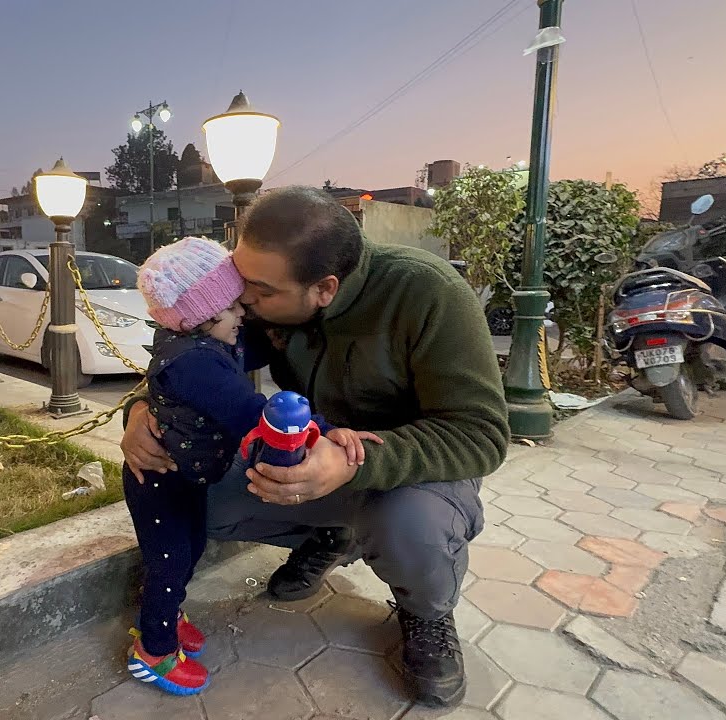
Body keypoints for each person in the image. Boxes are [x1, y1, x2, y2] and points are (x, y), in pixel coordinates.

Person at [122, 186, 509, 707]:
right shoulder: (266, 291)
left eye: (256, 291)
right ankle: (329, 534)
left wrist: (352, 462)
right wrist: (143, 411)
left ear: (324, 289)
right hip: (304, 449)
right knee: (189, 500)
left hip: (405, 473)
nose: (243, 302)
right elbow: (198, 365)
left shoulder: (427, 293)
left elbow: (480, 435)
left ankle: (426, 612)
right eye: (238, 284)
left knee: (408, 527)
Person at [125, 236, 375, 695]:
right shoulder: (194, 364)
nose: (245, 316)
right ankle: (153, 651)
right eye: (234, 309)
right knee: (171, 557)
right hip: (161, 480)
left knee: (188, 548)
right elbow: (251, 412)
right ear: (201, 319)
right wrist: (324, 429)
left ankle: (166, 613)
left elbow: (255, 346)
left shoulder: (203, 339)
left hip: (187, 473)